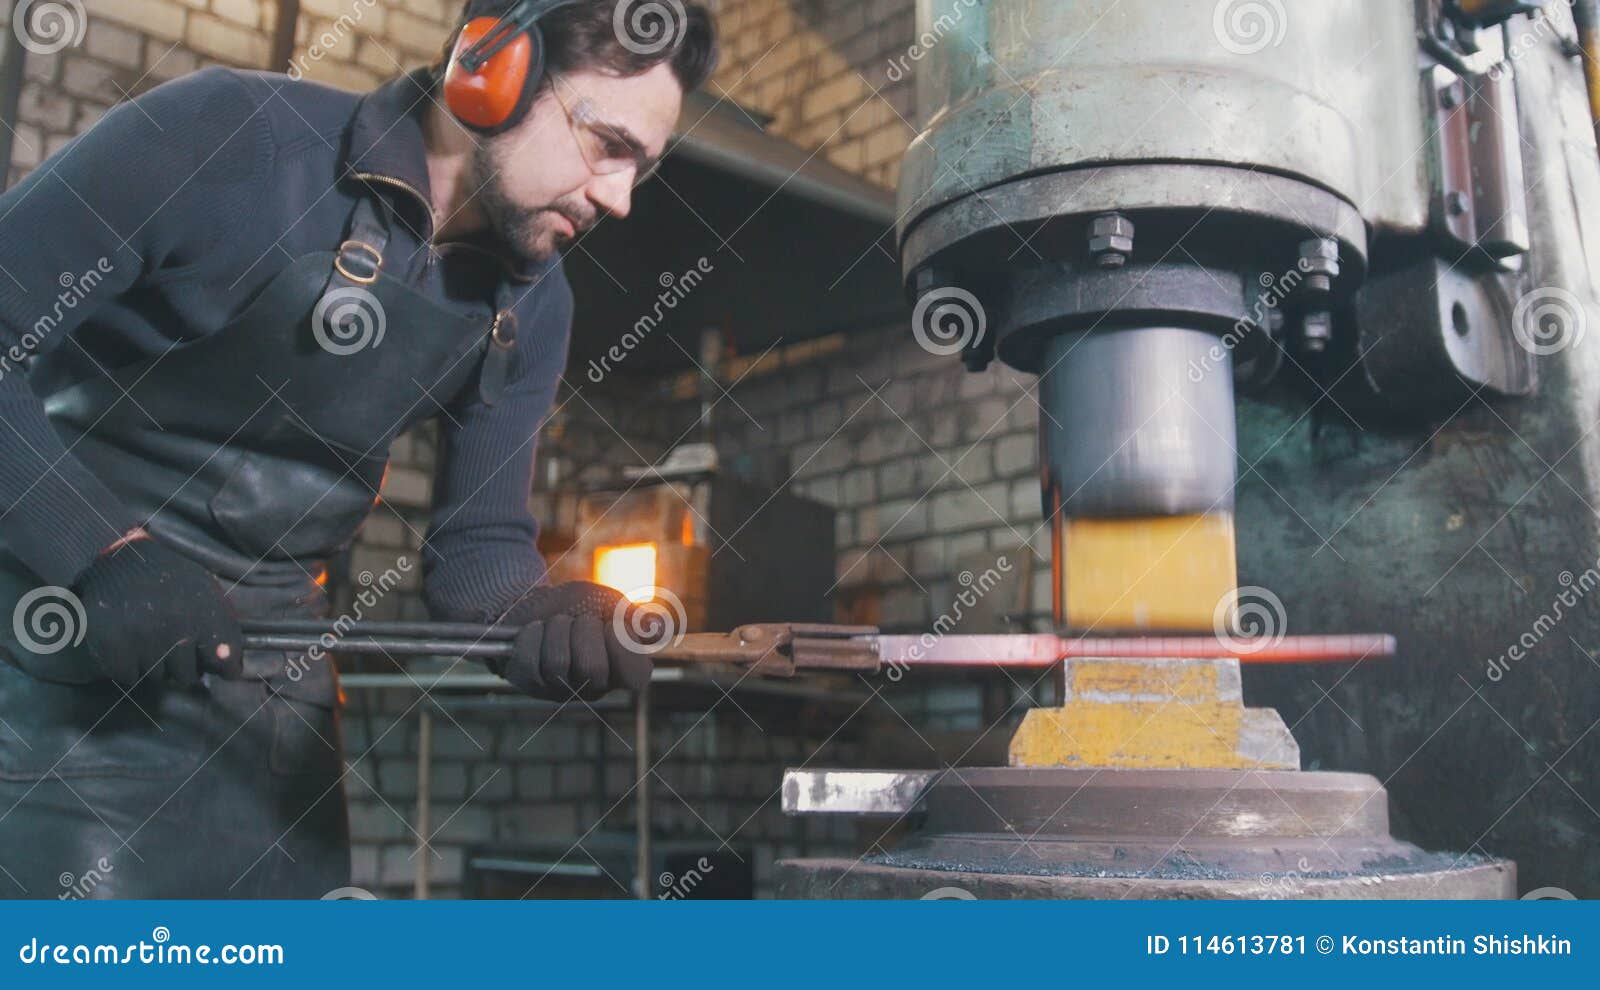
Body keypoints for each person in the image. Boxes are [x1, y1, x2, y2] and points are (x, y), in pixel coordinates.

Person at [0, 0, 717, 898]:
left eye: (640, 170)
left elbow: (476, 556)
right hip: (63, 665)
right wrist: (97, 552)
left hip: (271, 709)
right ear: (493, 66)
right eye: (607, 144)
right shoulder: (227, 139)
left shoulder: (532, 302)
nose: (617, 197)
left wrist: (543, 611)